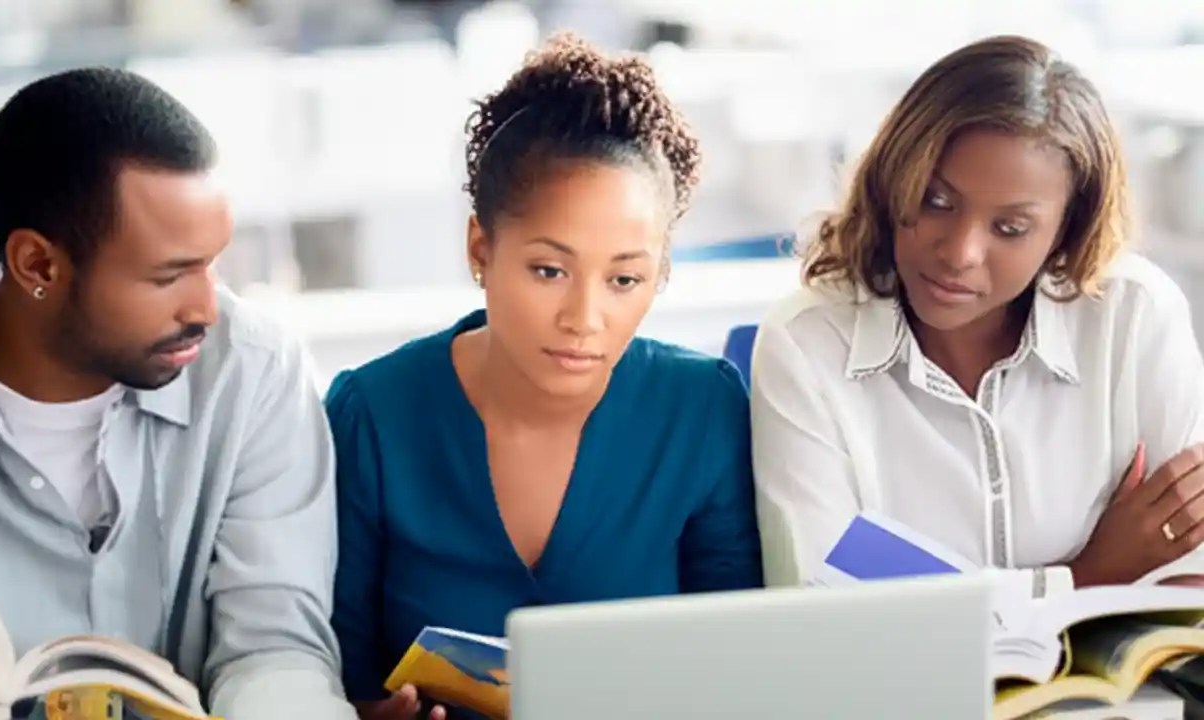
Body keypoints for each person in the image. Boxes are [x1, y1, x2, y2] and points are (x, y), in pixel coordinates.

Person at [327, 33, 763, 719]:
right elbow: (331, 673)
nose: (585, 318)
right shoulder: (373, 414)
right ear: (481, 247)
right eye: (549, 271)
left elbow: (745, 665)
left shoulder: (702, 409)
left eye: (625, 278)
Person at [0, 68, 355, 719]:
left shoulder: (254, 371)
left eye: (212, 263)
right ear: (37, 265)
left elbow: (274, 647)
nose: (207, 308)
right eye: (170, 276)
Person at [751, 35, 1204, 595]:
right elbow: (824, 605)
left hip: (1126, 686)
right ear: (895, 177)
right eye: (936, 200)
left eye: (1010, 229)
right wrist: (1088, 576)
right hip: (906, 685)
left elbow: (1189, 568)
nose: (960, 252)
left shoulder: (1134, 316)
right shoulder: (807, 342)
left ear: (1065, 232)